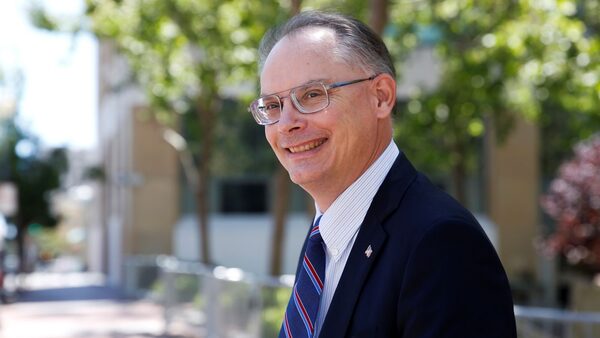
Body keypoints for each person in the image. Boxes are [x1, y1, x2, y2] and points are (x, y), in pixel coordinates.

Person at [249, 11, 516, 338]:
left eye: (312, 95)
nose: (287, 122)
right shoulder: (326, 235)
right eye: (273, 106)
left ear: (381, 97)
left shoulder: (442, 244)